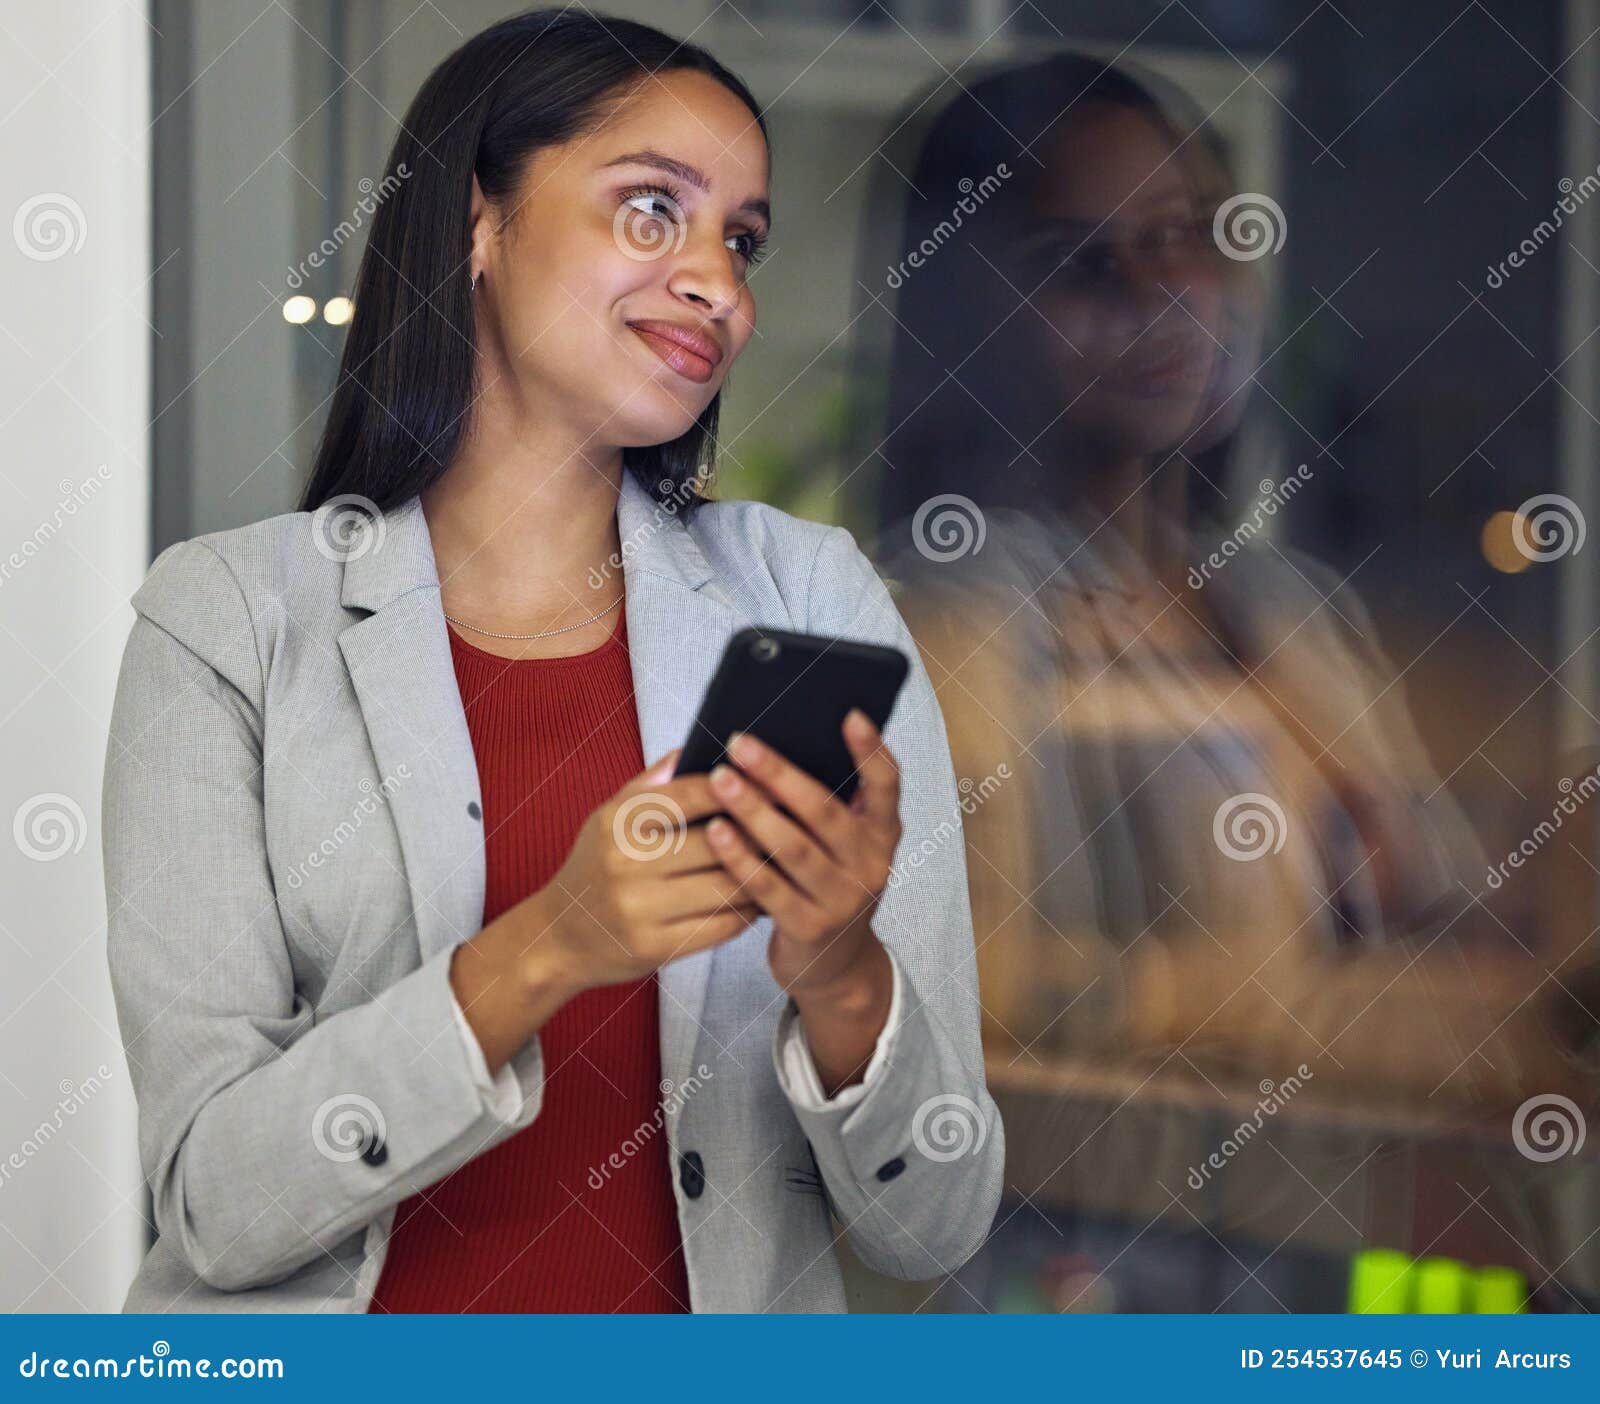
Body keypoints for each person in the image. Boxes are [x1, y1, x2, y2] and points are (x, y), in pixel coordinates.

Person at [101, 8, 1001, 1314]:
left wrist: (843, 970)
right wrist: (551, 945)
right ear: (477, 221)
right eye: (652, 210)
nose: (718, 284)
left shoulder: (809, 598)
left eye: (740, 240)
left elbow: (938, 1227)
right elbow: (214, 1210)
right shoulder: (231, 623)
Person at [853, 52, 1597, 1310]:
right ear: (969, 310)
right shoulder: (940, 622)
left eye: (1190, 237)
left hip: (1355, 1275)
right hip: (1078, 1294)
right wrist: (1459, 1022)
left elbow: (1438, 911)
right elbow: (979, 1004)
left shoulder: (1286, 610)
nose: (1163, 295)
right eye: (1082, 264)